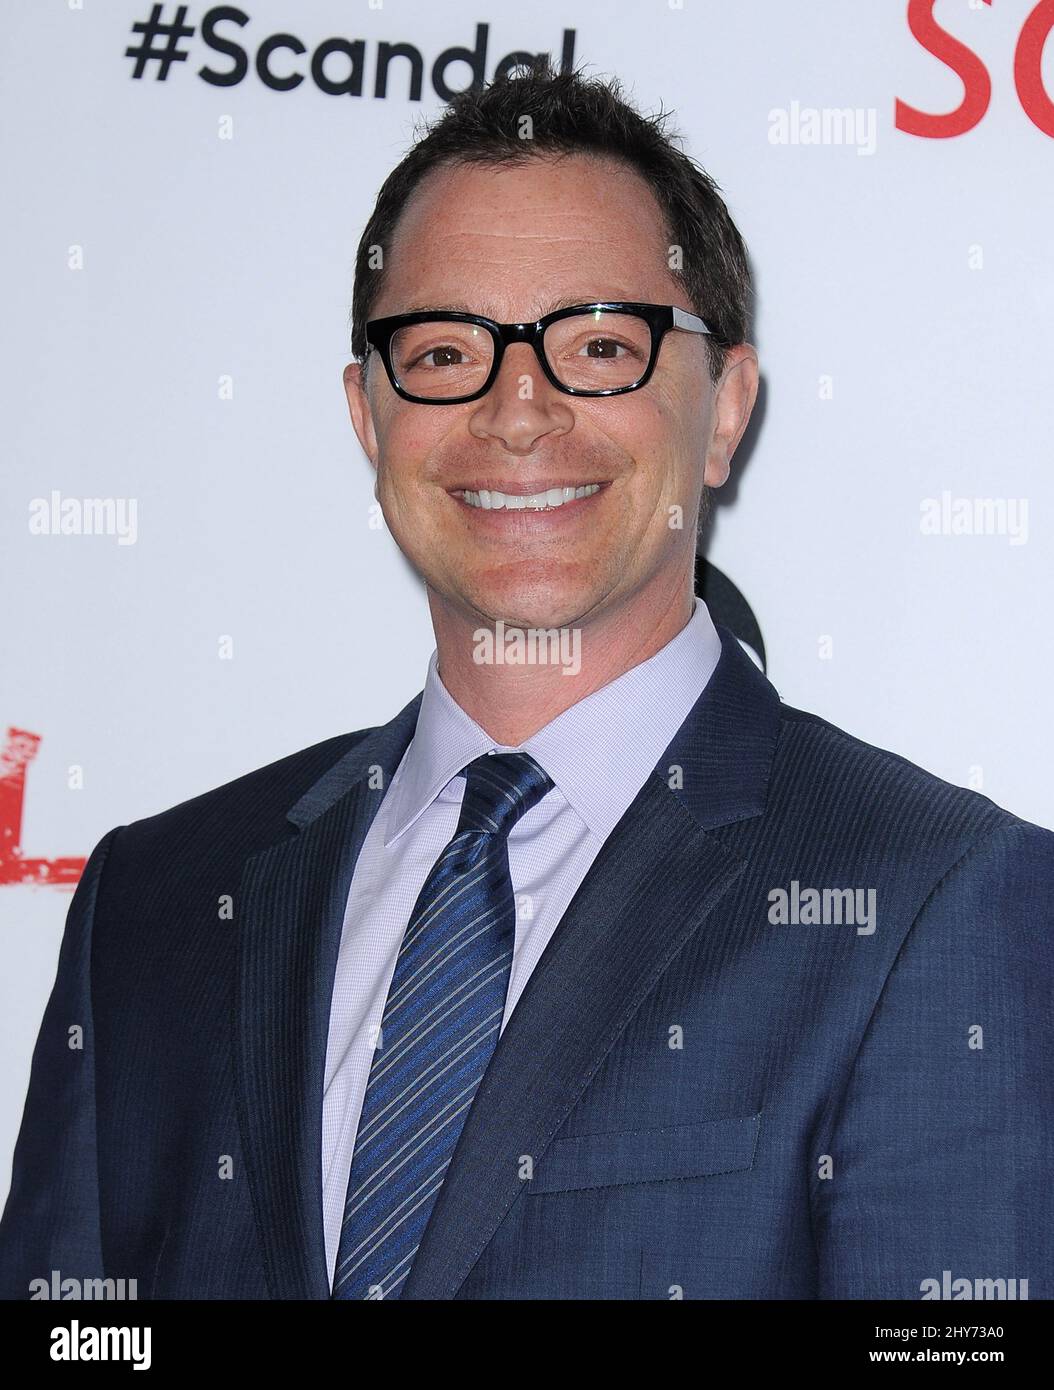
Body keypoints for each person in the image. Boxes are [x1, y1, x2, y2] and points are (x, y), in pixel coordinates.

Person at [1, 59, 1050, 1302]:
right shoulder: (157, 902)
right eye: (443, 351)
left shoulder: (935, 896)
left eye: (599, 345)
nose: (516, 409)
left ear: (724, 413)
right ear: (367, 417)